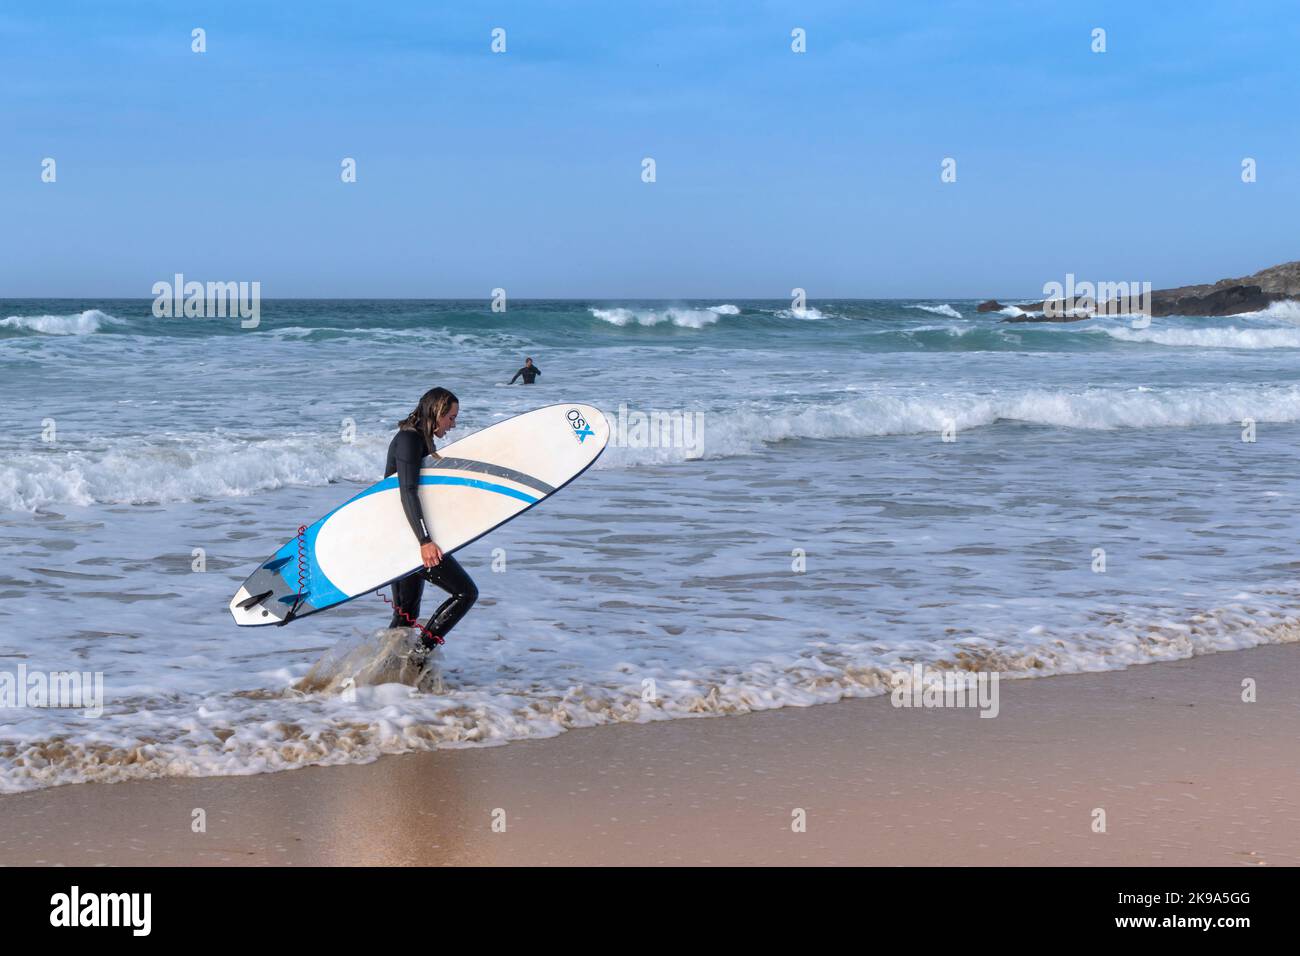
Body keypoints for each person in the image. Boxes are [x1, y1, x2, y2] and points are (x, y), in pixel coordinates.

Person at [385, 387, 478, 656]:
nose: (453, 424)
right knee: (465, 593)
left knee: (406, 616)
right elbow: (407, 492)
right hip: (408, 537)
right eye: (450, 417)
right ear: (436, 412)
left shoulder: (420, 440)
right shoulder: (409, 440)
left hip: (406, 535)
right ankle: (417, 659)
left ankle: (387, 675)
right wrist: (425, 540)